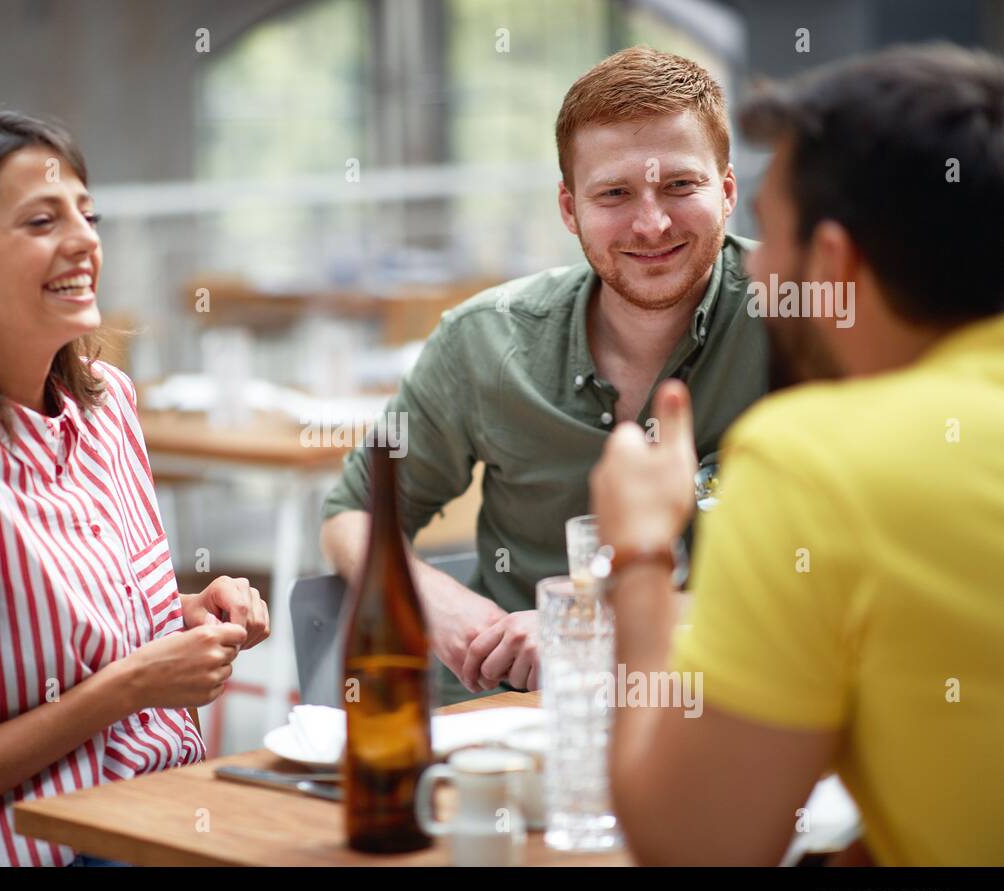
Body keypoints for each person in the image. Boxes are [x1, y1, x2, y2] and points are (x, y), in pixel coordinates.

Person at [592, 44, 1004, 865]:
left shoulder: (814, 461)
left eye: (772, 240)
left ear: (833, 264)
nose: (760, 269)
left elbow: (695, 846)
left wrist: (639, 552)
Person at [0, 111, 270, 866]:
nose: (84, 240)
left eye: (87, 214)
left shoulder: (106, 404)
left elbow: (88, 638)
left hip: (160, 814)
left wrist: (186, 615)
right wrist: (132, 684)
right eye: (41, 219)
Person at [321, 46, 767, 702]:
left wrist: (589, 627)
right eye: (615, 193)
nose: (652, 223)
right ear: (569, 209)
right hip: (507, 724)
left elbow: (840, 575)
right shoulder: (486, 340)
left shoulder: (805, 322)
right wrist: (441, 608)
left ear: (726, 190)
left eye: (680, 185)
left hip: (733, 712)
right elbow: (353, 514)